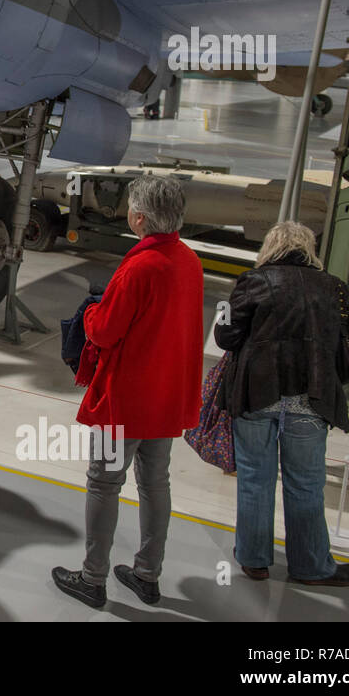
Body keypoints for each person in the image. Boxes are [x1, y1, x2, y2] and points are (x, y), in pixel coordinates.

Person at [51, 174, 203, 608]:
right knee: (156, 484)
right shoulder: (189, 262)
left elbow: (103, 331)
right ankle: (147, 574)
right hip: (166, 398)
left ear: (138, 217)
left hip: (126, 403)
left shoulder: (138, 267)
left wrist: (94, 308)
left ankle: (93, 578)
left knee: (104, 483)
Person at [216, 221, 349, 588]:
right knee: (306, 485)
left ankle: (254, 560)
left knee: (254, 478)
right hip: (311, 400)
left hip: (256, 396)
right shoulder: (334, 288)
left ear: (270, 246)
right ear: (308, 249)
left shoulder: (253, 281)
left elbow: (225, 335)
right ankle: (311, 566)